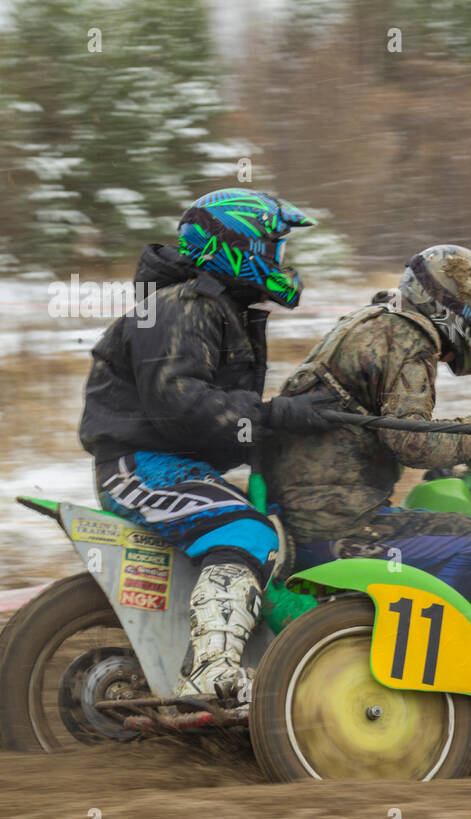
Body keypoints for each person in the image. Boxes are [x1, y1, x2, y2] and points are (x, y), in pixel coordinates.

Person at [78, 188, 336, 698]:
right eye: (275, 247)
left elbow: (216, 412)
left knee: (280, 532)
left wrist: (287, 425)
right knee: (248, 534)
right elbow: (179, 403)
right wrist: (273, 416)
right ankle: (209, 676)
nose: (282, 261)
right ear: (239, 246)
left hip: (170, 464)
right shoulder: (180, 306)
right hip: (141, 466)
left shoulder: (216, 306)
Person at [266, 244, 471, 600]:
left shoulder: (374, 323)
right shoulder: (407, 340)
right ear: (449, 309)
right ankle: (431, 646)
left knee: (443, 509)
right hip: (340, 530)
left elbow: (388, 432)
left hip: (313, 516)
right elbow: (414, 443)